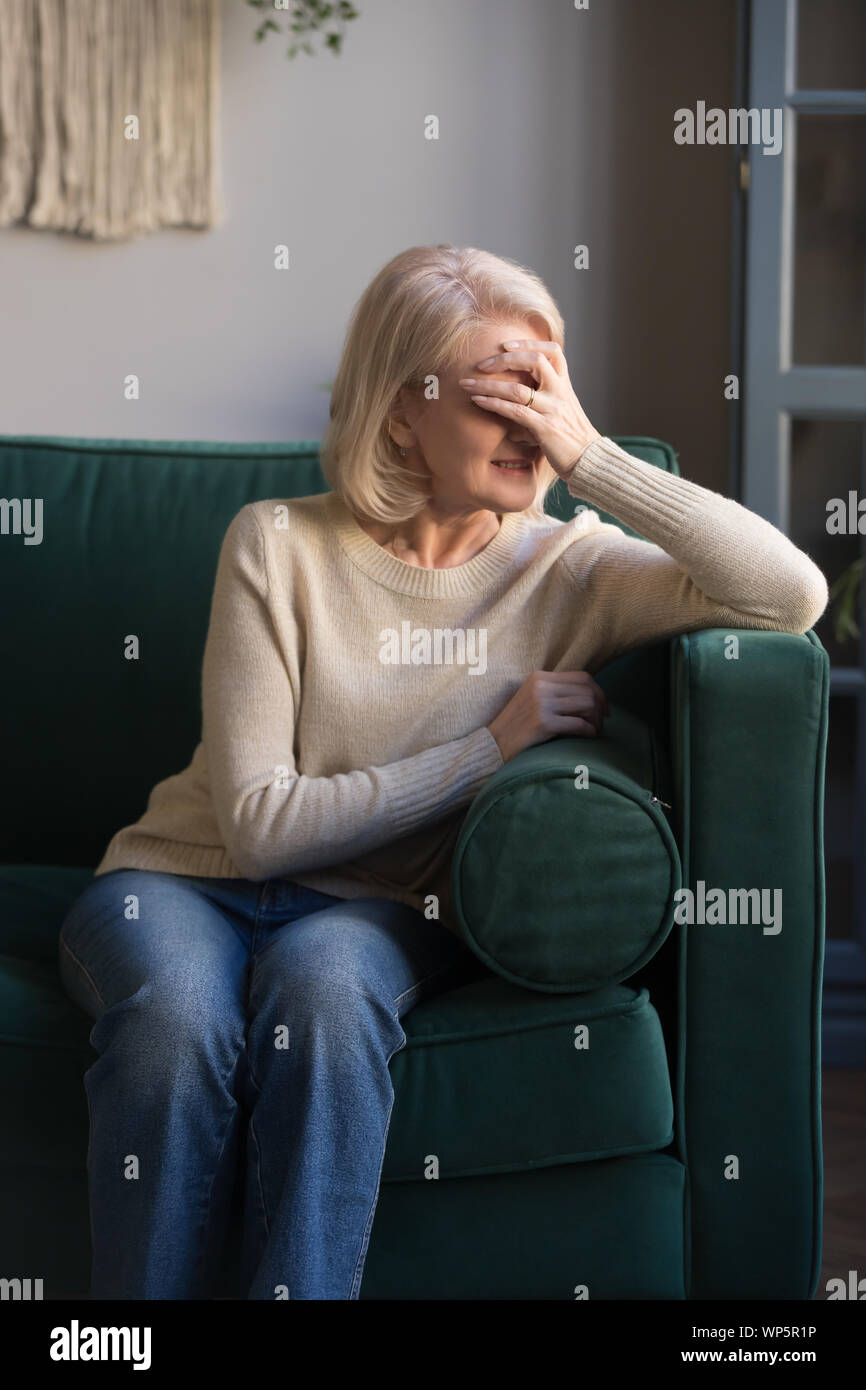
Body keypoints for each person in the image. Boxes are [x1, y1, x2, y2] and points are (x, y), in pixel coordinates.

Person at [58, 243, 829, 1300]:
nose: (531, 422)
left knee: (326, 1003)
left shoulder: (571, 565)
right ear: (398, 412)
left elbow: (786, 594)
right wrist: (489, 747)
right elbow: (259, 831)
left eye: (545, 389)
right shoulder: (276, 544)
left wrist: (593, 455)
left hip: (375, 907)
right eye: (495, 394)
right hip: (184, 879)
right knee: (175, 1024)